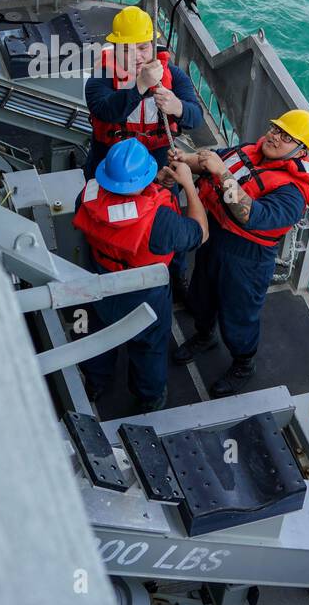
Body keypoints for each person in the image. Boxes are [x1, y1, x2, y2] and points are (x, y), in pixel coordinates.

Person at [170, 110, 309, 396]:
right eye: (276, 129)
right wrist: (184, 159)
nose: (276, 137)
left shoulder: (292, 194)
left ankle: (243, 363)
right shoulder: (251, 150)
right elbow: (209, 160)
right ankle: (204, 335)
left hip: (248, 258)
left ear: (302, 151)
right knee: (201, 293)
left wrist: (221, 173)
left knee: (238, 315)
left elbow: (249, 215)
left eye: (287, 137)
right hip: (214, 236)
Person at [72, 137, 208, 414]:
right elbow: (200, 233)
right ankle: (150, 396)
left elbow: (118, 209)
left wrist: (155, 184)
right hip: (144, 291)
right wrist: (188, 187)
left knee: (97, 335)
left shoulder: (86, 195)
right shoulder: (161, 222)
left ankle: (95, 382)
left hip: (100, 282)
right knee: (149, 345)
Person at [84, 6, 203, 177]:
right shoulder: (102, 76)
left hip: (158, 166)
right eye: (127, 50)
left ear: (153, 46)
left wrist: (177, 107)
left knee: (170, 193)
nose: (136, 57)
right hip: (108, 166)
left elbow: (196, 118)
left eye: (142, 48)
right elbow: (105, 111)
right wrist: (140, 84)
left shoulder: (174, 75)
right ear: (115, 49)